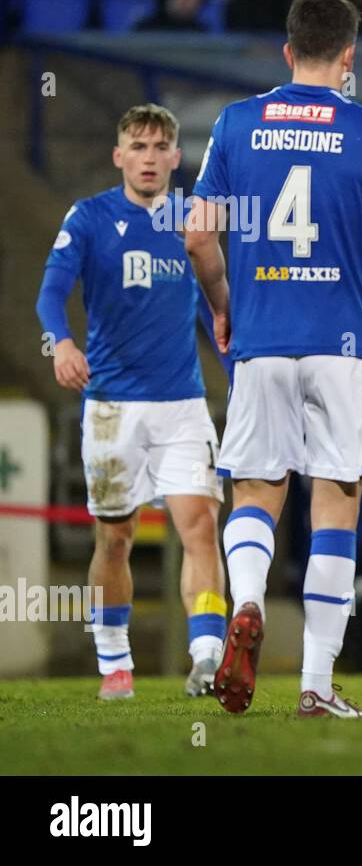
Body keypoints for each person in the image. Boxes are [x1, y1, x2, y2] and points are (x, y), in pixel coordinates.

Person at [186, 0, 362, 719]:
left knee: (257, 492)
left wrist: (223, 304)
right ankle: (316, 686)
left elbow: (198, 236)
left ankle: (251, 601)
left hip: (261, 341)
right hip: (343, 347)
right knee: (336, 504)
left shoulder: (235, 123)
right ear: (350, 57)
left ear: (286, 50)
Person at [35, 104, 226, 700]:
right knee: (114, 538)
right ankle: (114, 661)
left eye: (160, 146)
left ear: (175, 156)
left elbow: (212, 303)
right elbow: (50, 294)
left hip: (183, 404)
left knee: (200, 526)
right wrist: (61, 343)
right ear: (119, 156)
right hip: (113, 406)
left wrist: (234, 361)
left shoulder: (190, 222)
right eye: (137, 146)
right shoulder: (89, 218)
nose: (149, 157)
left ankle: (207, 655)